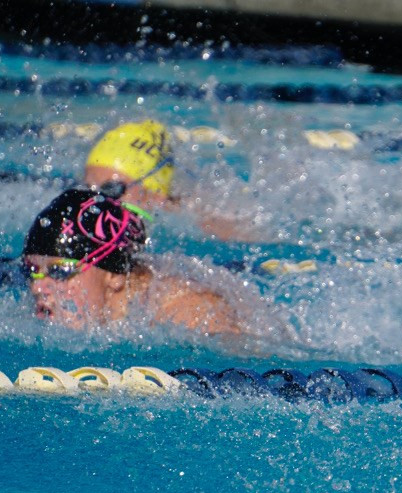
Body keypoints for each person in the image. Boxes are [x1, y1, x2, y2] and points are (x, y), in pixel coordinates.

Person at [22, 187, 244, 335]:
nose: (37, 286)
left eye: (60, 272)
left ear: (114, 276)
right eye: (31, 270)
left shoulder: (189, 316)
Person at [83, 120, 250, 242]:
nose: (93, 200)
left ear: (154, 193)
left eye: (110, 189)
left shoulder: (200, 230)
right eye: (87, 189)